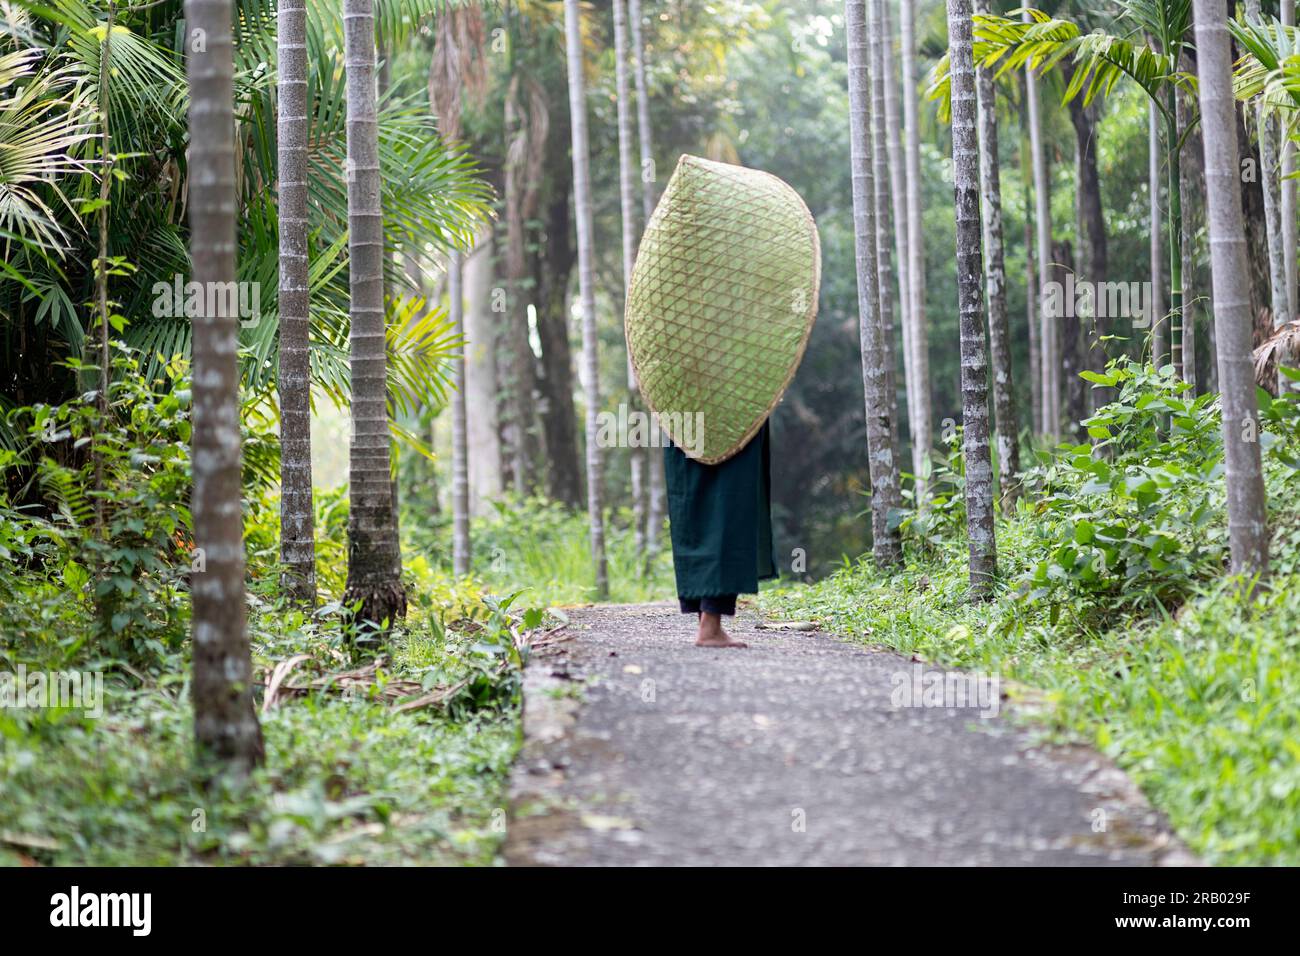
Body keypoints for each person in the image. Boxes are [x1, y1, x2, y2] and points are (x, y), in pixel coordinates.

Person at [663, 419, 777, 648]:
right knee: (728, 503)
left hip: (682, 409)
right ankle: (710, 624)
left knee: (694, 497)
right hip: (731, 410)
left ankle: (708, 620)